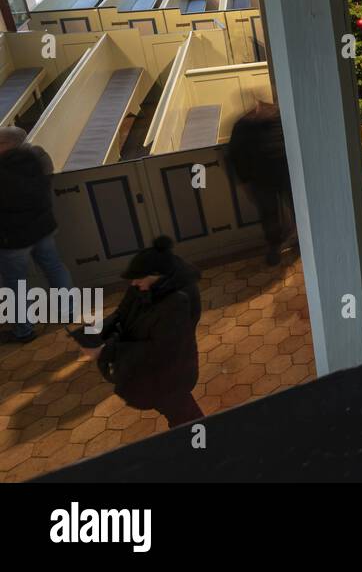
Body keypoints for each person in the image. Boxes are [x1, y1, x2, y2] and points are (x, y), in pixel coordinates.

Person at [81, 236, 204, 429]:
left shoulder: (179, 300)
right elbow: (123, 312)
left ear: (157, 274)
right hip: (154, 371)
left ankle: (203, 447)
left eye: (139, 279)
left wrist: (107, 351)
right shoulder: (150, 284)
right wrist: (96, 330)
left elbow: (159, 349)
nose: (134, 284)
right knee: (181, 412)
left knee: (183, 414)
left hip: (169, 374)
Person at [0, 126, 71, 345]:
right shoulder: (37, 156)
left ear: (7, 144)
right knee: (54, 267)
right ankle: (69, 311)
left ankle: (24, 331)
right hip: (43, 227)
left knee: (16, 284)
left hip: (13, 237)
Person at [226, 102, 294, 266]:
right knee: (295, 209)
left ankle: (275, 248)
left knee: (269, 215)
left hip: (261, 179)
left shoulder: (242, 126)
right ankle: (298, 243)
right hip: (285, 175)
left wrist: (244, 182)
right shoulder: (281, 117)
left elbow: (235, 156)